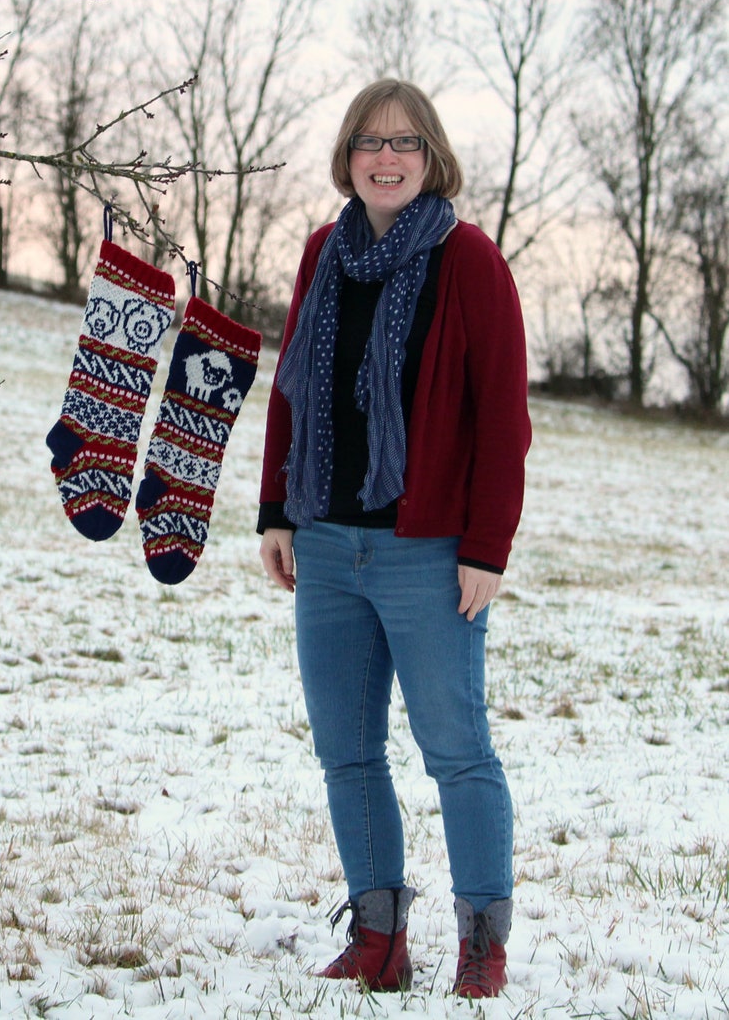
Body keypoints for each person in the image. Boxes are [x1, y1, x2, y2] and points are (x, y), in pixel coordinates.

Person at [257, 79, 531, 998]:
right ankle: (379, 935)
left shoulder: (471, 262)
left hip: (428, 552)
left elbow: (502, 416)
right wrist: (277, 512)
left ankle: (481, 943)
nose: (387, 156)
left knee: (456, 748)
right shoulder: (320, 256)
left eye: (405, 142)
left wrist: (486, 547)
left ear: (432, 156)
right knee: (347, 748)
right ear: (349, 155)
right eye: (371, 141)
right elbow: (291, 391)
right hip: (329, 544)